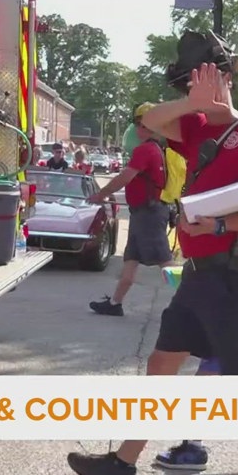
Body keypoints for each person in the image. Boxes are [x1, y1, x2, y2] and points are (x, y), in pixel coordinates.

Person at [66, 31, 238, 475]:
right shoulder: (192, 126)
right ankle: (123, 464)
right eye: (187, 84)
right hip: (197, 276)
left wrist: (219, 225)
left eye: (201, 79)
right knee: (162, 364)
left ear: (225, 76)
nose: (189, 91)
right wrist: (195, 102)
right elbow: (150, 118)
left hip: (232, 273)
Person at [87, 103, 174, 317]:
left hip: (149, 214)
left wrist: (102, 193)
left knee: (166, 262)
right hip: (143, 213)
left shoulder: (145, 150)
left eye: (140, 124)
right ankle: (115, 303)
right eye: (137, 124)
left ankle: (191, 307)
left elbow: (125, 177)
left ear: (151, 126)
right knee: (131, 260)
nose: (137, 129)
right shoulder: (156, 149)